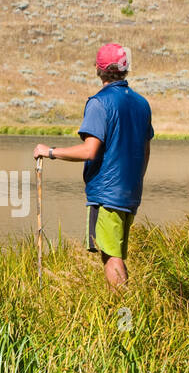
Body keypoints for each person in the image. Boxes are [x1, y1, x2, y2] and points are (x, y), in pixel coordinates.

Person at [33, 44, 153, 287]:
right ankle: (125, 315)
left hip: (107, 192)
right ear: (125, 69)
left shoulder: (99, 103)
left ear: (99, 70)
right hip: (130, 191)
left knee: (111, 256)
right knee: (114, 251)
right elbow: (145, 150)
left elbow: (90, 151)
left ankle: (124, 320)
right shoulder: (142, 104)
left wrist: (50, 152)